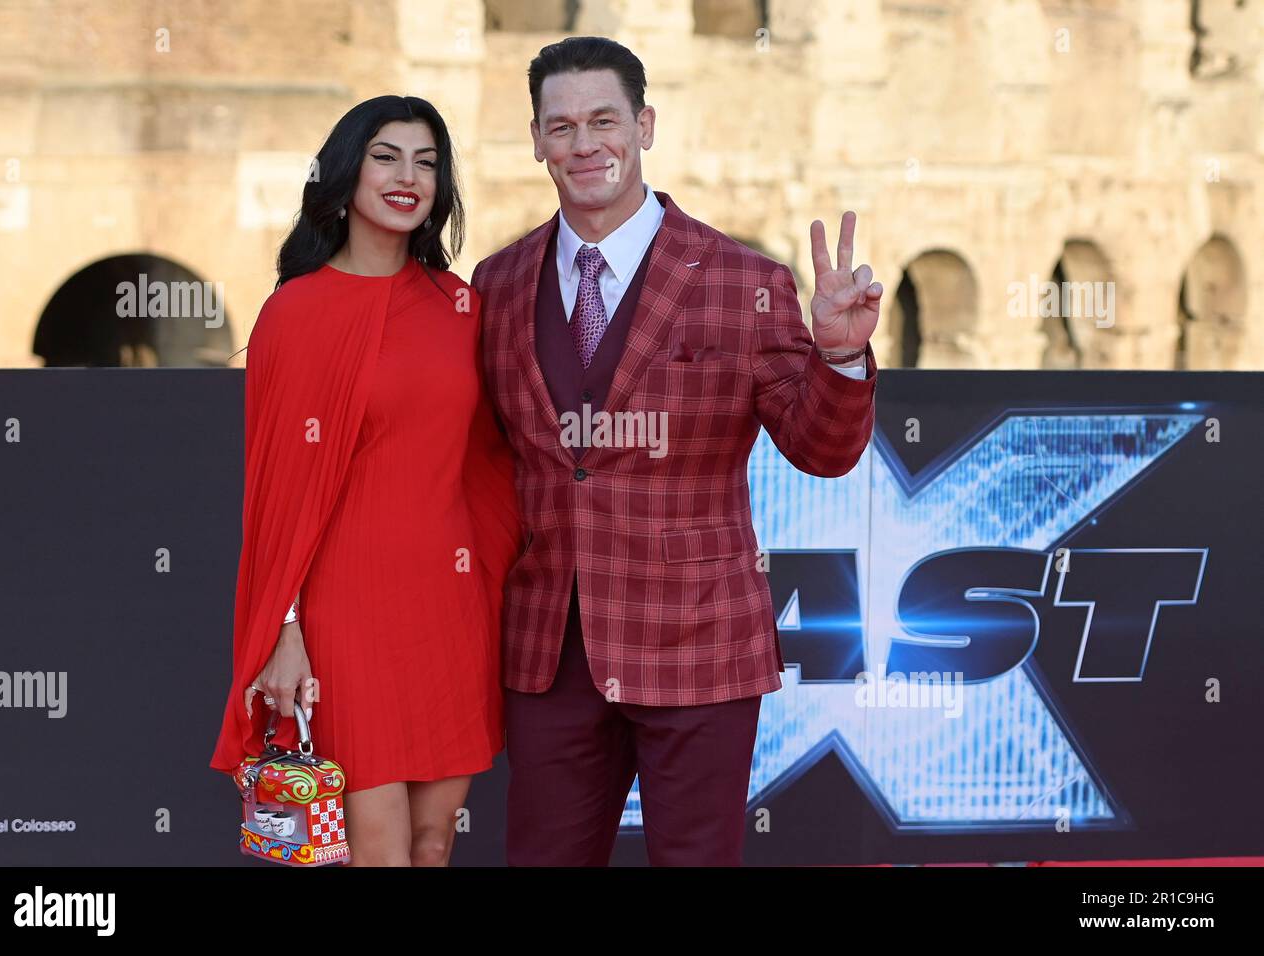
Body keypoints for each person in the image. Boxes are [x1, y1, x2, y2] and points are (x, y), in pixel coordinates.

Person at [471, 37, 881, 866]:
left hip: (699, 641)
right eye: (561, 127)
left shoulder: (742, 280)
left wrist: (837, 357)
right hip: (548, 650)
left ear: (644, 125)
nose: (584, 145)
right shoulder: (496, 282)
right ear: (536, 141)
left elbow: (821, 450)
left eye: (603, 120)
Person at [210, 95, 522, 867]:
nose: (407, 177)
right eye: (386, 157)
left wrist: (495, 576)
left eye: (426, 162)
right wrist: (287, 633)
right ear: (346, 171)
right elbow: (276, 494)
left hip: (451, 607)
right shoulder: (295, 313)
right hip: (345, 613)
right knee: (374, 847)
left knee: (431, 841)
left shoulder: (462, 307)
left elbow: (491, 459)